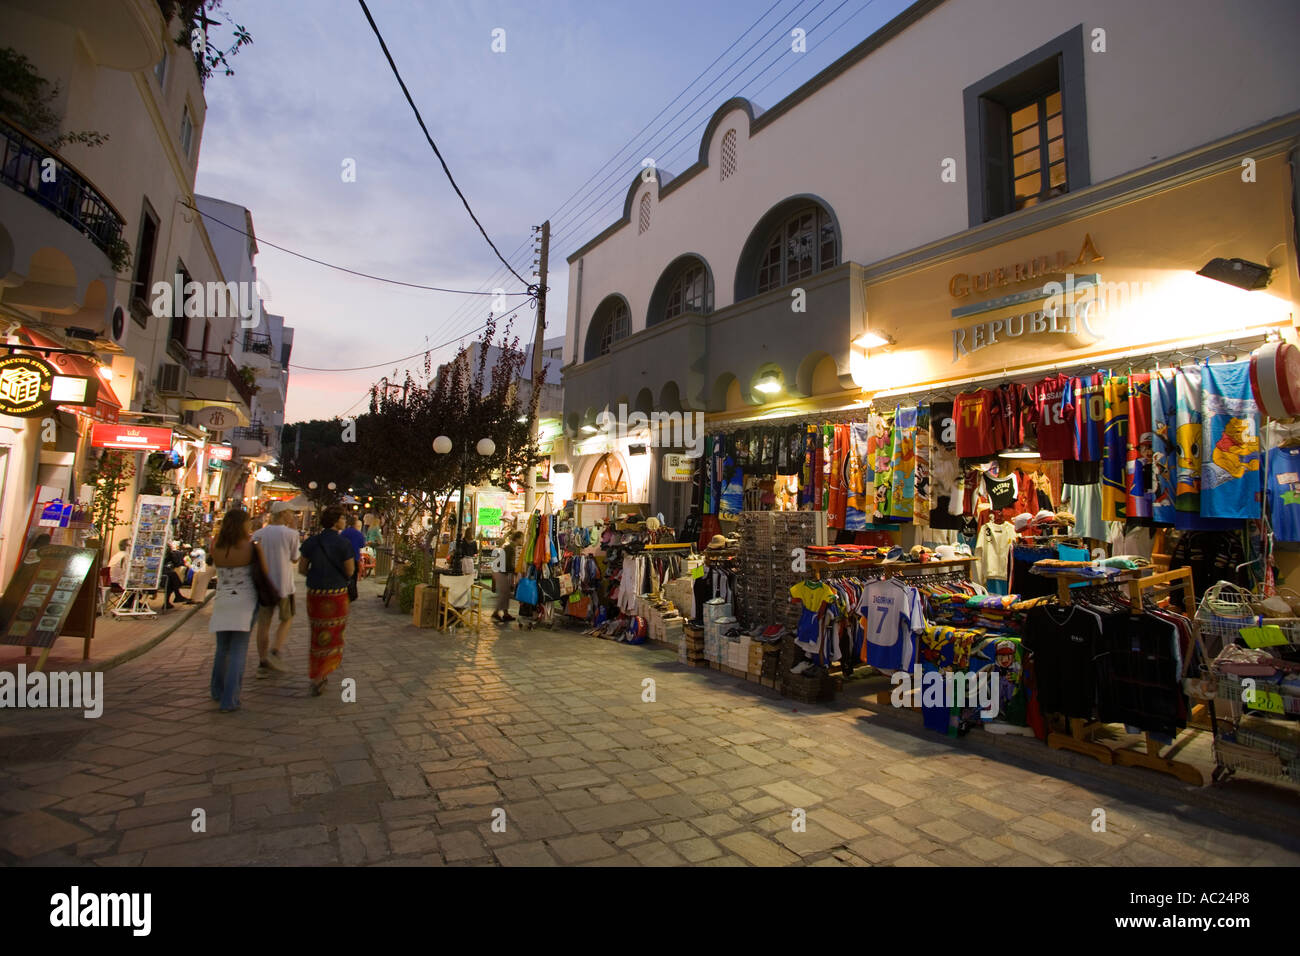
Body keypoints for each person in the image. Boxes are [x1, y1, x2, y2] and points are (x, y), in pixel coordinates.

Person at [209, 507, 270, 713]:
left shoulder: (215, 545)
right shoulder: (251, 547)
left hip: (223, 598)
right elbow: (264, 571)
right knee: (238, 649)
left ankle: (217, 690)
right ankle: (230, 699)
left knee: (222, 648)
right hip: (245, 599)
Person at [299, 506, 355, 697]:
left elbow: (302, 568)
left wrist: (316, 575)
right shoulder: (343, 544)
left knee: (317, 632)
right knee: (334, 632)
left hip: (315, 593)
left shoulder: (312, 542)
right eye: (342, 518)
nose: (344, 521)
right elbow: (349, 570)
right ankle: (325, 670)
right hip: (336, 593)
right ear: (335, 521)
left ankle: (317, 674)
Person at [252, 501, 301, 678]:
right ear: (283, 514)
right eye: (290, 513)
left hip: (264, 585)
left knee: (263, 623)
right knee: (287, 618)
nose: (292, 517)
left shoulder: (258, 534)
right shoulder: (291, 534)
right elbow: (295, 558)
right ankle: (275, 650)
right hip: (284, 585)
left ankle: (263, 660)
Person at [491, 530, 523, 624]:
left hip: (502, 572)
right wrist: (515, 571)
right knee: (504, 594)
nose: (522, 540)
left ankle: (504, 613)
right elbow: (508, 563)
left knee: (506, 594)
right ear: (517, 538)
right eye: (521, 538)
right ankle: (497, 612)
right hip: (501, 572)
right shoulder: (510, 548)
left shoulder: (511, 547)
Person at [162, 542, 192, 609]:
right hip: (162, 575)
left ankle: (177, 596)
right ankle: (177, 596)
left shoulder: (170, 555)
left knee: (171, 579)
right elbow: (177, 563)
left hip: (164, 575)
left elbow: (176, 563)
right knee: (172, 577)